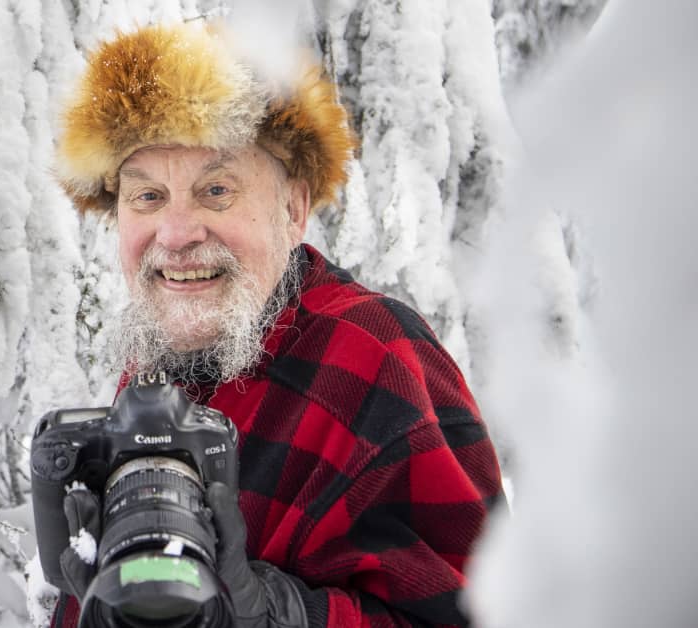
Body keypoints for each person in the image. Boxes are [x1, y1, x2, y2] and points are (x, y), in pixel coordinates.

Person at [48, 21, 504, 628]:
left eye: (216, 189)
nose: (176, 235)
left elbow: (491, 612)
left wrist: (277, 612)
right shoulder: (164, 357)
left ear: (293, 209)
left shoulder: (375, 357)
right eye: (148, 197)